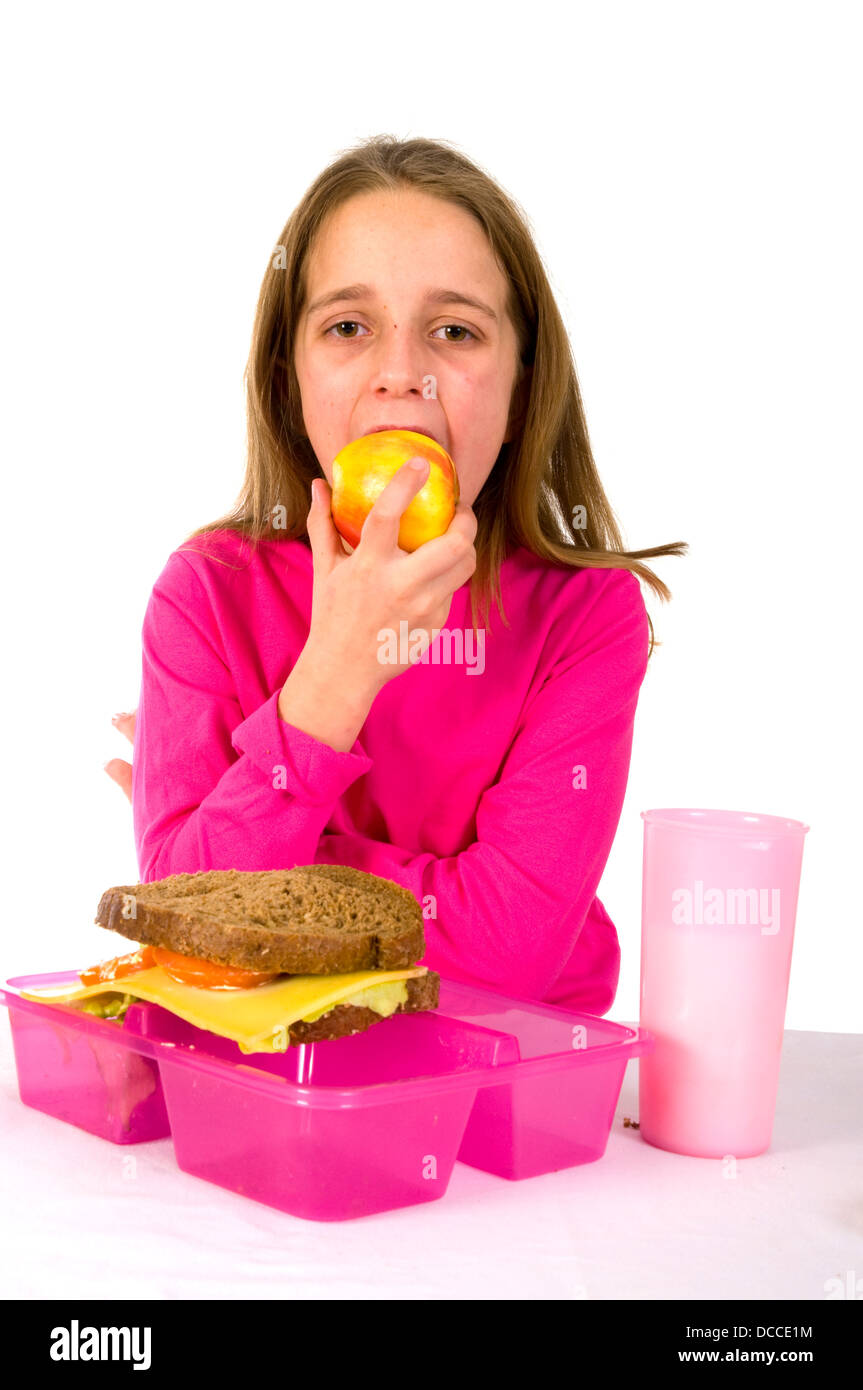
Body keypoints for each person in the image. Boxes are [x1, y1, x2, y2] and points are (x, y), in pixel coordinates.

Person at [104, 135, 687, 1016]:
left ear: (522, 383)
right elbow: (187, 942)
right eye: (348, 326)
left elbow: (504, 965)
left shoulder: (585, 615)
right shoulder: (207, 594)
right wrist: (338, 669)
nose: (401, 376)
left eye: (454, 331)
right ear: (288, 372)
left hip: (504, 1118)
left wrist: (252, 818)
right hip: (258, 1100)